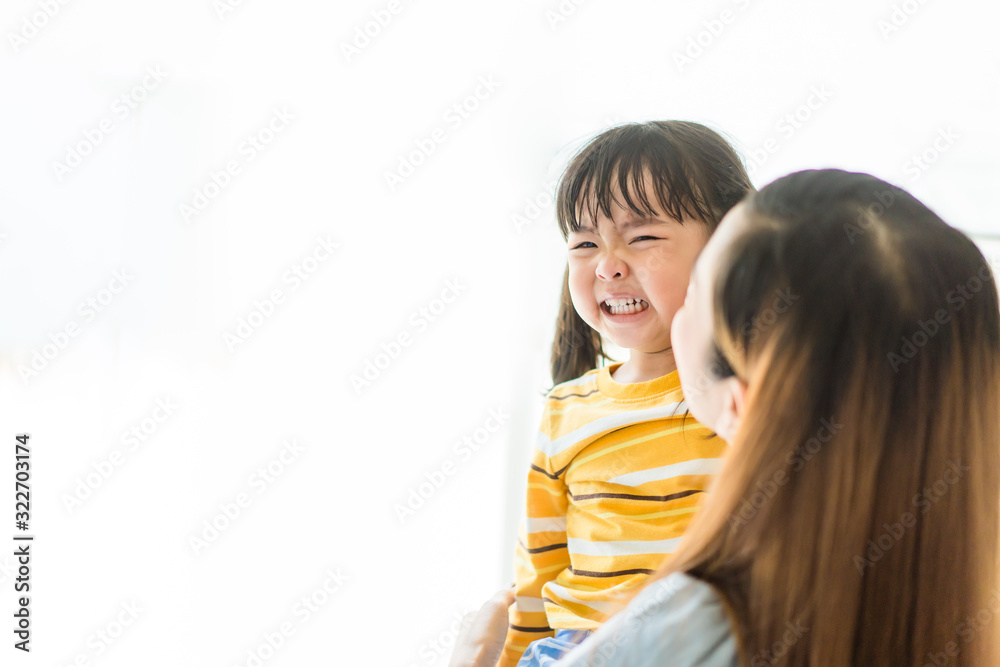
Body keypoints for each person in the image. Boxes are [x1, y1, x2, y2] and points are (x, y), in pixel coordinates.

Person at [459, 169, 1000, 666]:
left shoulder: (679, 637)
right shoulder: (956, 612)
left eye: (697, 293)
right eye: (583, 243)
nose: (610, 264)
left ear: (742, 407)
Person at [498, 121, 754, 667]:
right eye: (585, 243)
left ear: (726, 245)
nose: (608, 265)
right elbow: (538, 576)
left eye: (643, 237)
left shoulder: (751, 395)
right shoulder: (567, 411)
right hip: (574, 651)